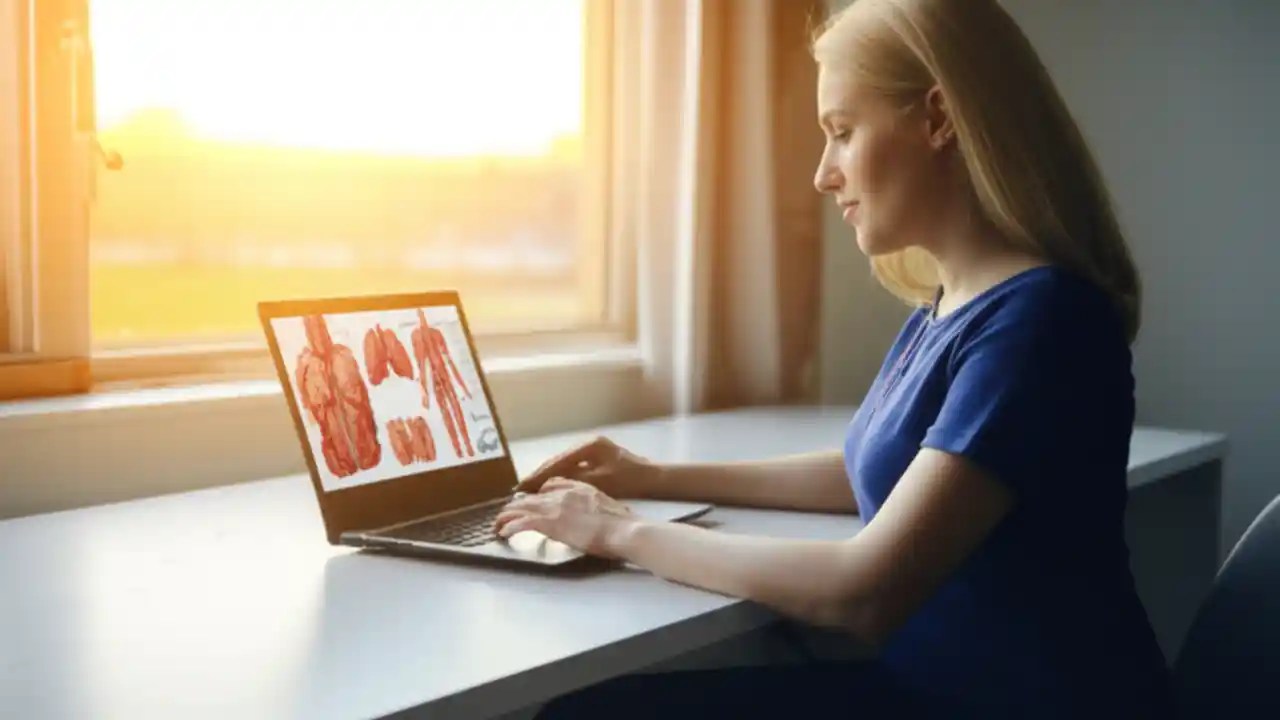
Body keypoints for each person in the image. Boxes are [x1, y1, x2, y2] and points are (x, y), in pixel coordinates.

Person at [493, 0, 1171, 716]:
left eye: (842, 134)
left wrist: (617, 531)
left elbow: (863, 591)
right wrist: (655, 475)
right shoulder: (947, 308)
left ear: (938, 119)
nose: (823, 174)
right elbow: (872, 469)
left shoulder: (1039, 324)